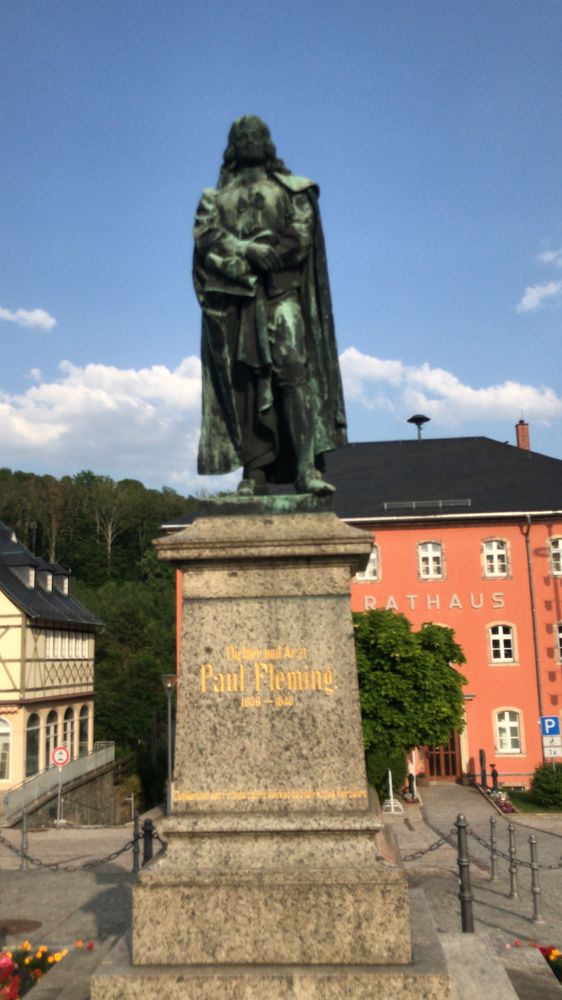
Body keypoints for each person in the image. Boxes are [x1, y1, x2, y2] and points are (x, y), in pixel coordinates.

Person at [193, 116, 347, 496]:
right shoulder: (213, 199)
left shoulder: (293, 190)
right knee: (246, 385)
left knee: (294, 375)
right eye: (240, 136)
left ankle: (305, 467)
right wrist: (247, 250)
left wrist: (268, 255)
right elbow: (207, 240)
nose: (248, 140)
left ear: (267, 143)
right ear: (232, 146)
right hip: (238, 303)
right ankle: (254, 472)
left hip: (282, 296)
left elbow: (300, 235)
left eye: (255, 135)